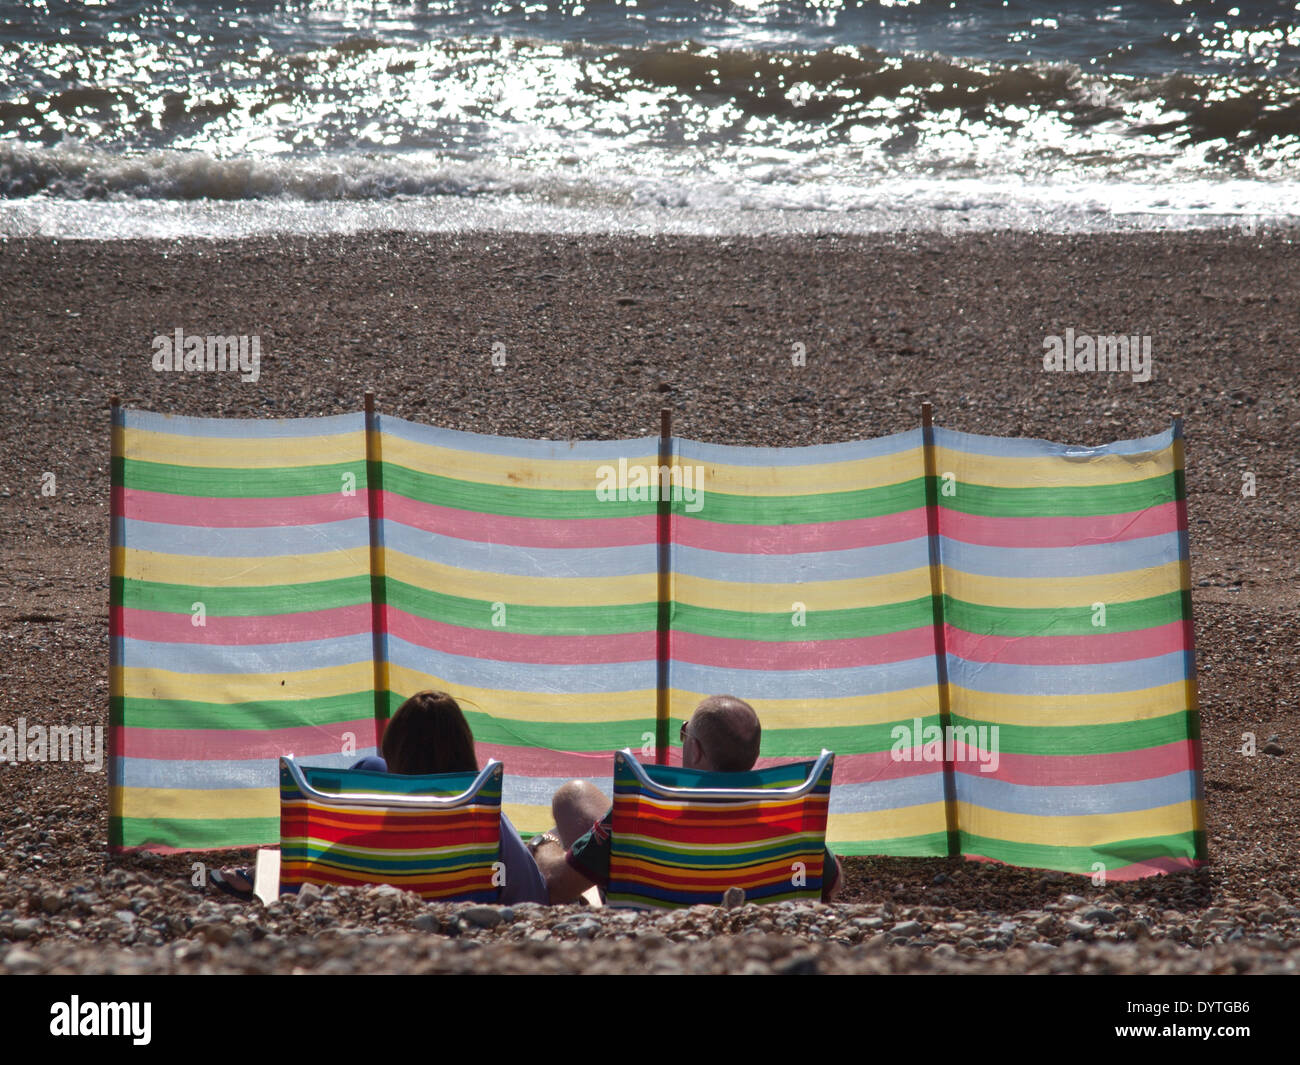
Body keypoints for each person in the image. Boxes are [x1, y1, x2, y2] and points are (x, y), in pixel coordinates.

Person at [211, 690, 548, 906]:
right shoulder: (482, 818)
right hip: (454, 893)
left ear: (394, 748)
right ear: (465, 748)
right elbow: (531, 896)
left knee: (368, 768)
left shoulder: (358, 811)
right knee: (372, 767)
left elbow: (305, 888)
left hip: (351, 906)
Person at [530, 695, 843, 905]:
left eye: (685, 733)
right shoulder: (787, 811)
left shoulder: (645, 810)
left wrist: (544, 842)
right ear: (755, 754)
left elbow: (554, 887)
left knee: (573, 795)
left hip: (649, 936)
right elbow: (831, 884)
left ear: (695, 750)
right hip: (753, 945)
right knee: (578, 798)